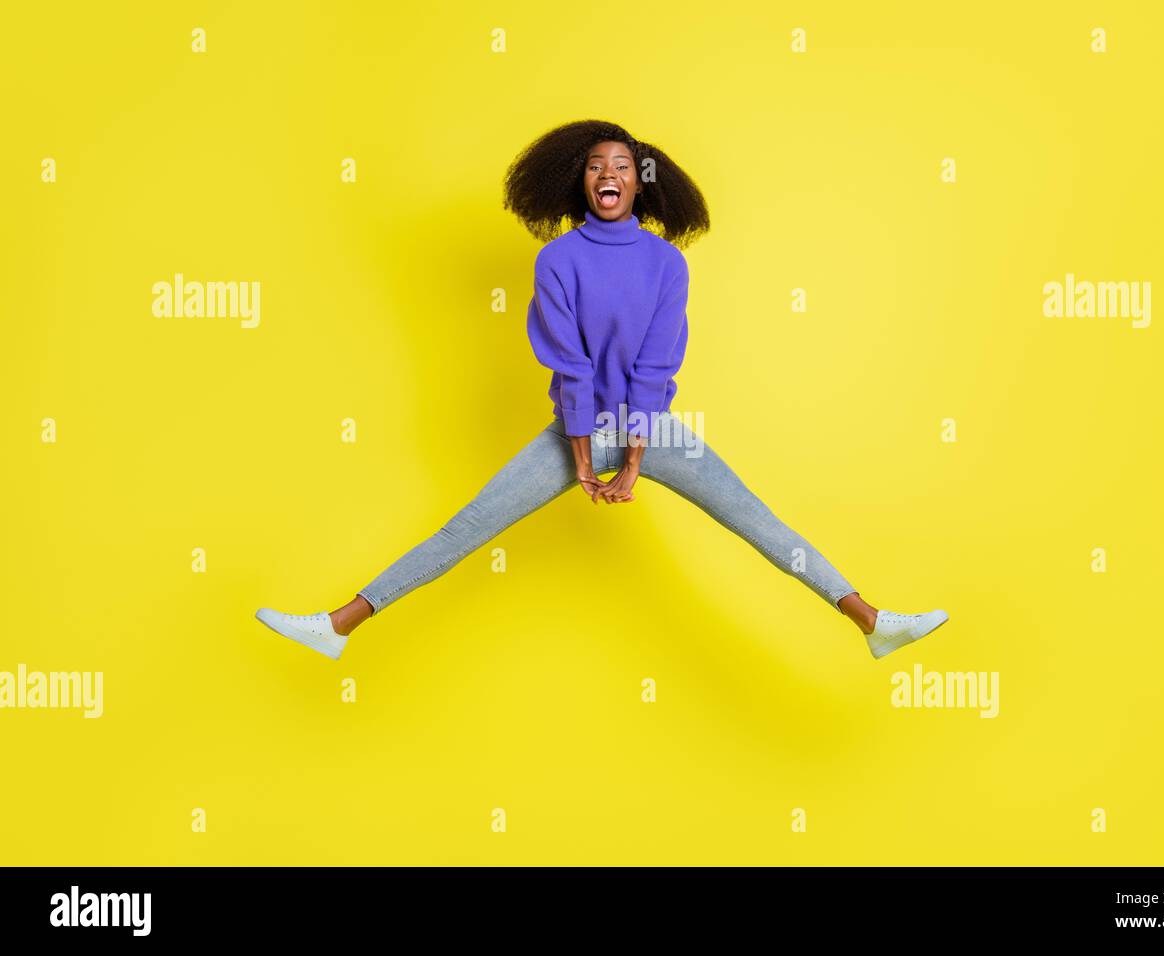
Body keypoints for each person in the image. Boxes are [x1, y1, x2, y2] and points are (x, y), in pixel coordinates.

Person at [255, 120, 948, 662]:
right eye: (595, 167)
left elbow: (655, 364)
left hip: (653, 429)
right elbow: (570, 366)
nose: (608, 175)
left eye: (621, 167)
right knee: (468, 527)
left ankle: (874, 623)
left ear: (641, 184)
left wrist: (637, 460)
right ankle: (337, 626)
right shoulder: (558, 259)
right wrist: (583, 457)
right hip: (576, 428)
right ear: (578, 183)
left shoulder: (666, 263)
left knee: (758, 522)